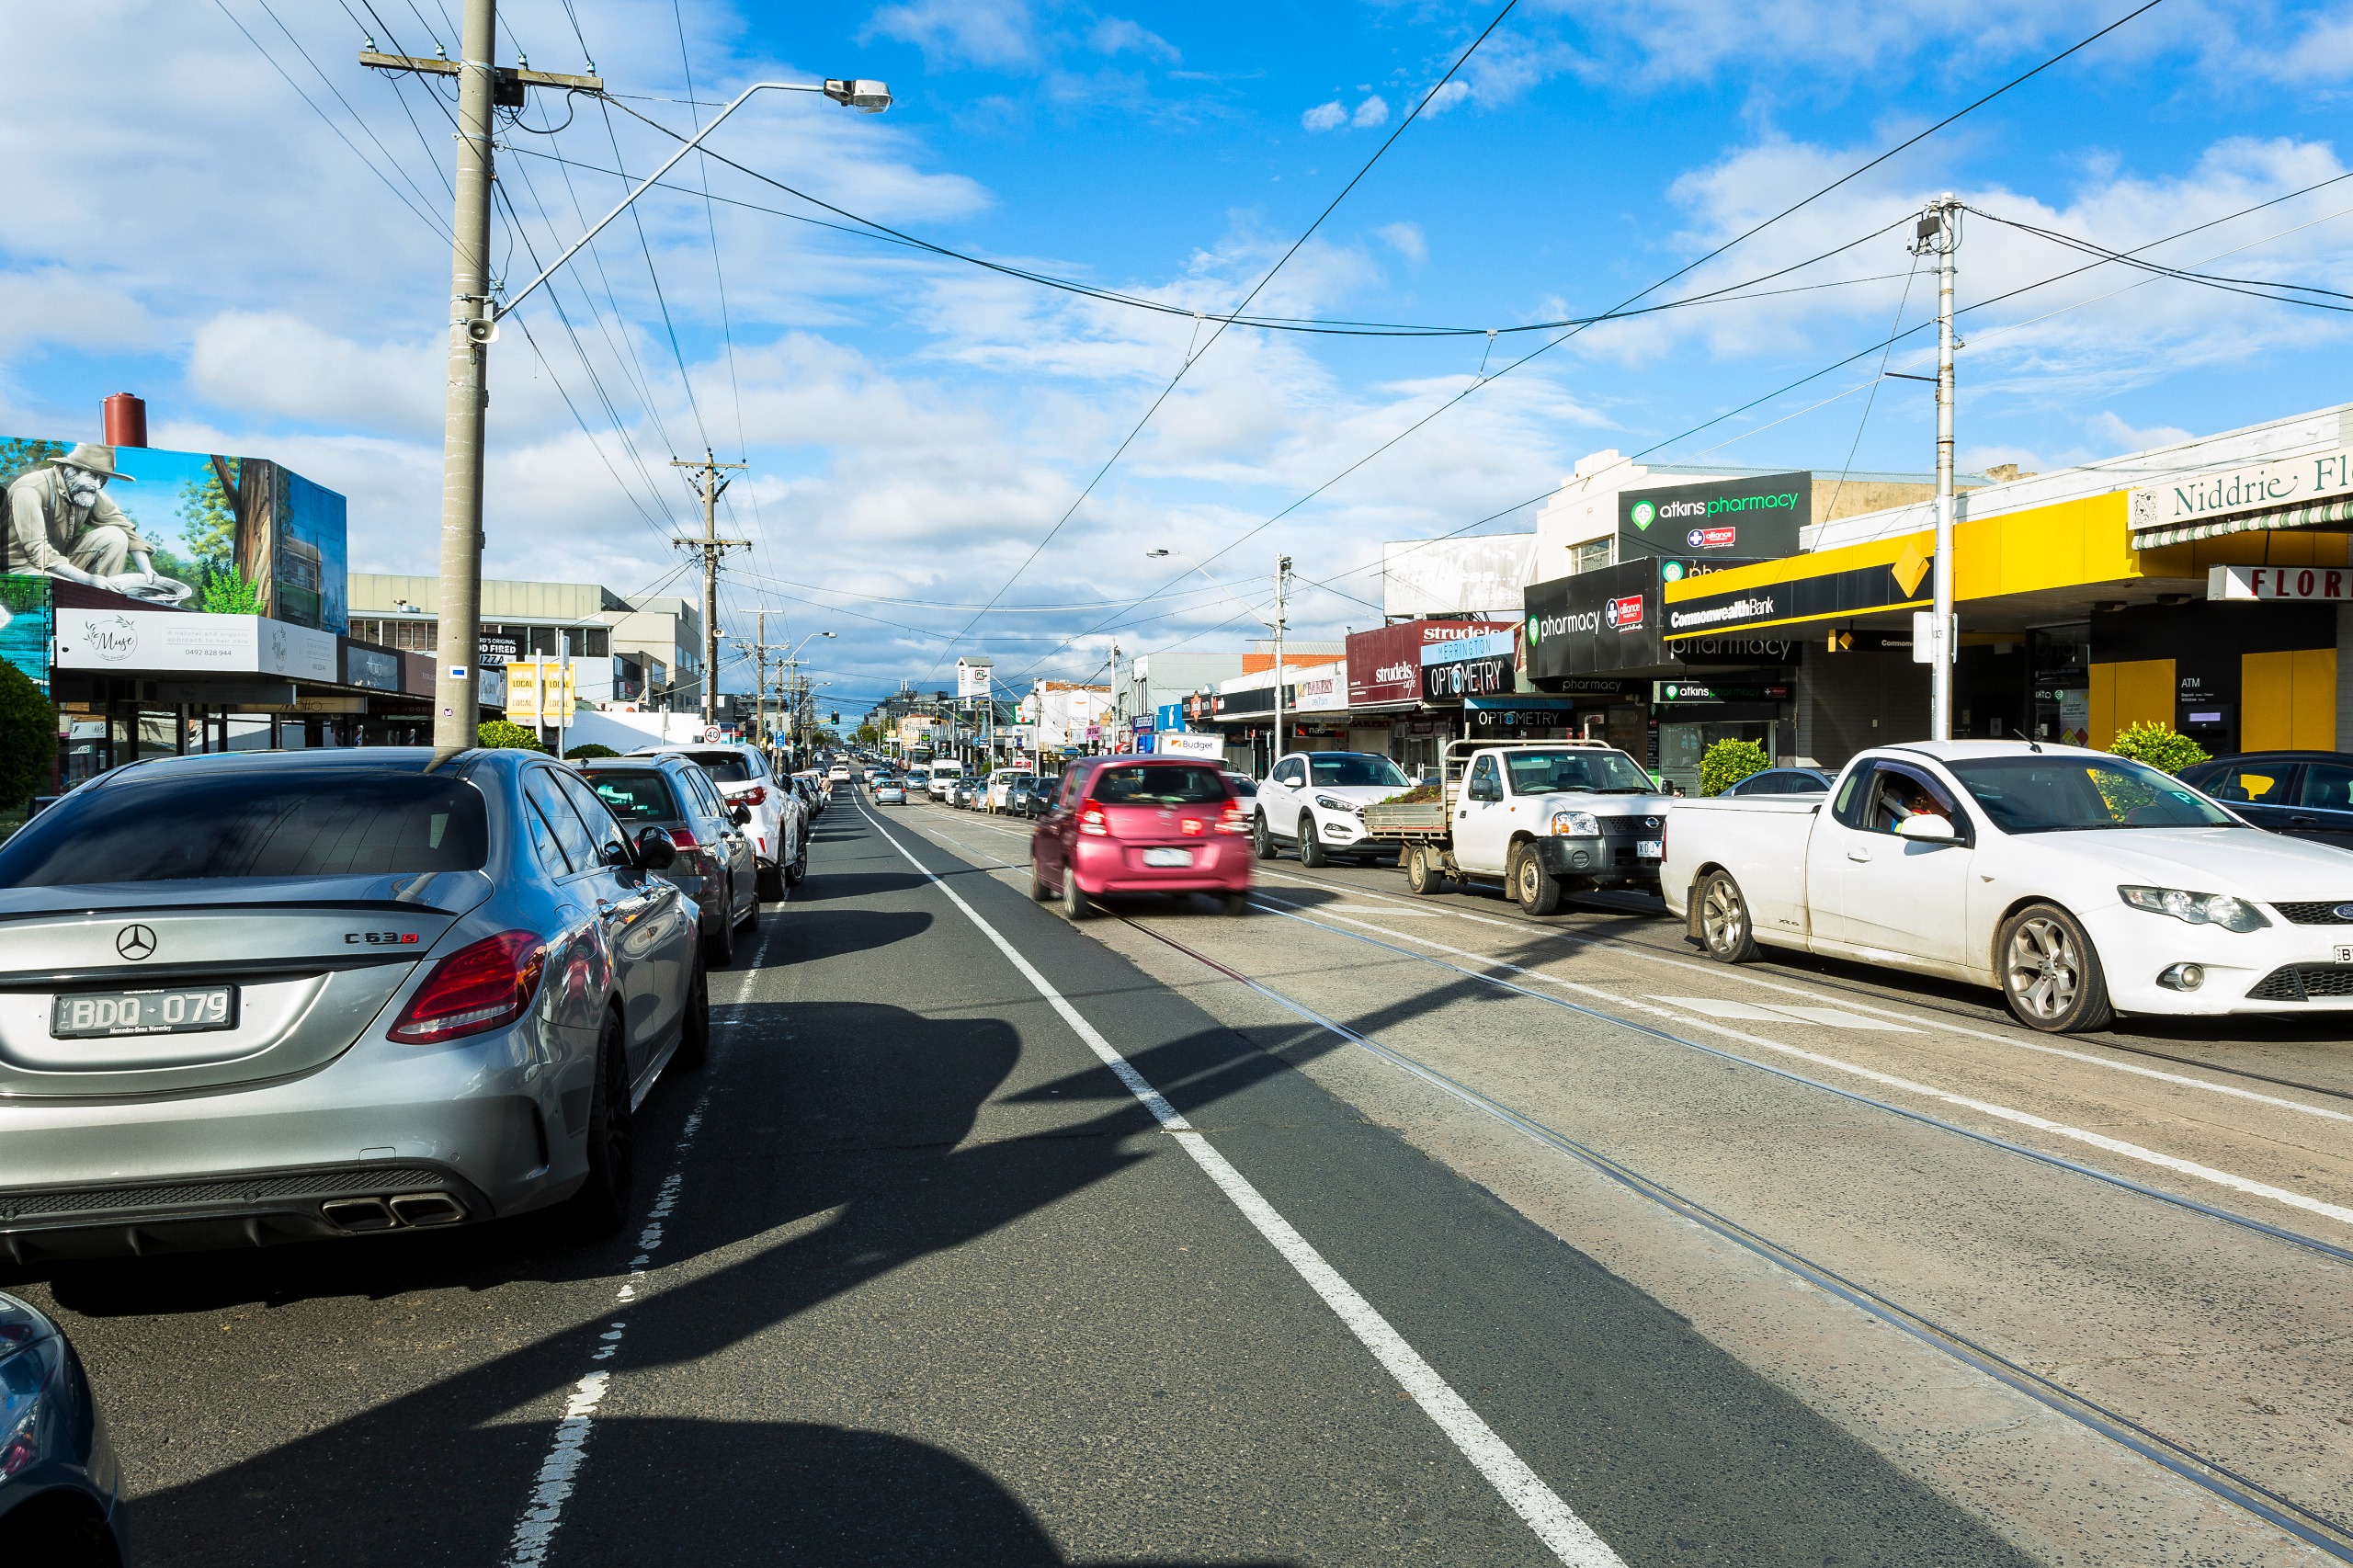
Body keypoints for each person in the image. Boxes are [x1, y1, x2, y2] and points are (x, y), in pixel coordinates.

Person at [5, 443, 191, 603]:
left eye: (103, 479)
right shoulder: (30, 489)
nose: (97, 485)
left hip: (60, 563)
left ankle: (102, 602)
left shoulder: (85, 489)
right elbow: (38, 552)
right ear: (72, 470)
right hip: (19, 569)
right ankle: (93, 601)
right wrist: (88, 580)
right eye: (93, 476)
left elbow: (123, 526)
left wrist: (147, 570)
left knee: (115, 536)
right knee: (68, 592)